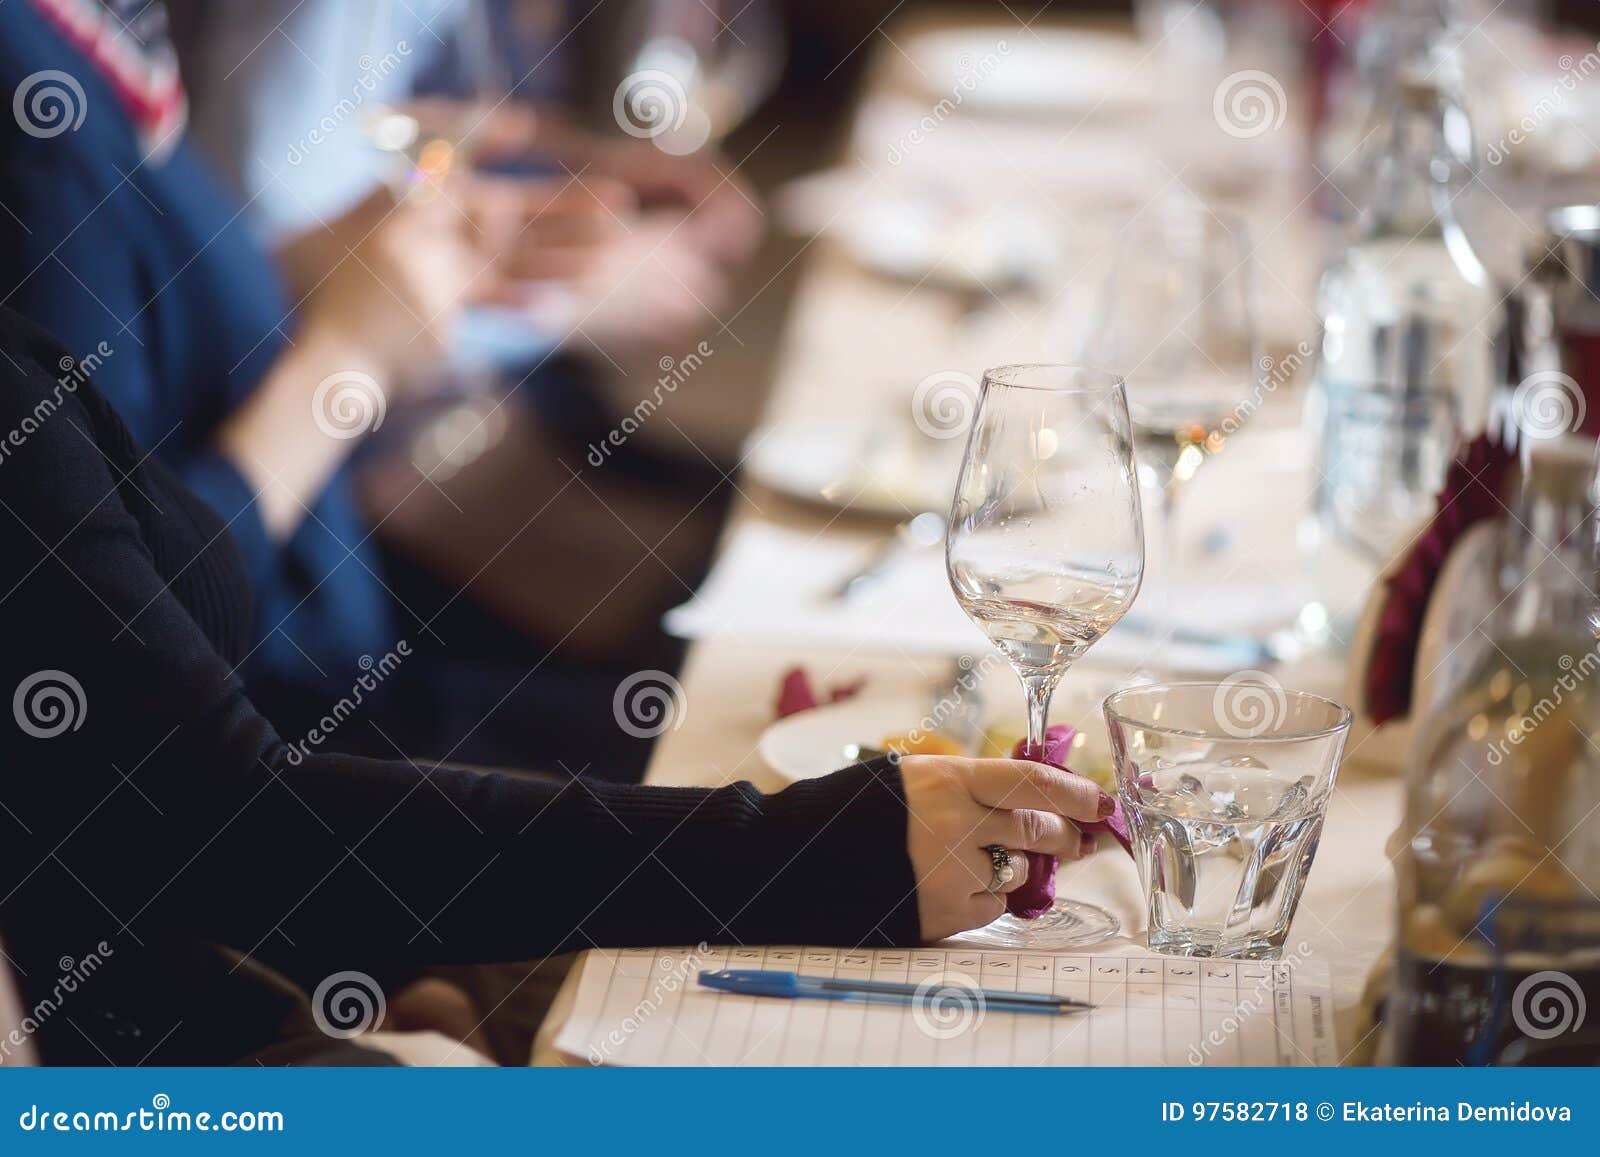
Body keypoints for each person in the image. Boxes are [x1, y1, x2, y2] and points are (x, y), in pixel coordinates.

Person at [0, 306, 1106, 1064]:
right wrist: (816, 851)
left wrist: (385, 983)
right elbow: (201, 818)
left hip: (229, 963)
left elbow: (122, 737)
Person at [0, 0, 677, 776]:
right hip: (275, 771)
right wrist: (351, 359)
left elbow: (150, 335)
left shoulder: (88, 33)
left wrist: (314, 266)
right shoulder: (31, 108)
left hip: (350, 675)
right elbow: (127, 646)